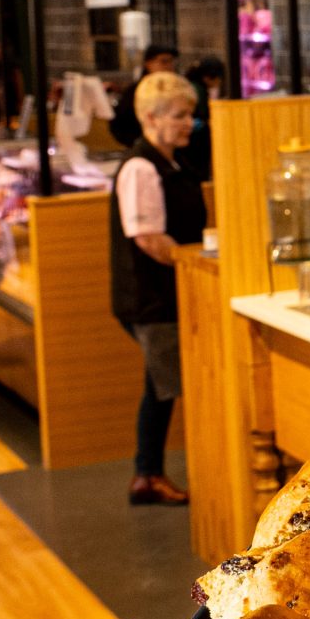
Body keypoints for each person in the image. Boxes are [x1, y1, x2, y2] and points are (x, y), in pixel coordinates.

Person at [110, 68, 204, 506]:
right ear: (150, 116)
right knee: (163, 386)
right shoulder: (141, 168)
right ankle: (146, 474)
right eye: (180, 115)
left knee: (159, 386)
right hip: (152, 299)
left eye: (190, 115)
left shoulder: (171, 161)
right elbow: (148, 237)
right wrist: (191, 263)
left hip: (167, 295)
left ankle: (146, 473)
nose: (189, 123)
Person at [110, 45, 178, 150]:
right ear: (148, 64)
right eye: (164, 62)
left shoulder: (176, 90)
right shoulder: (135, 91)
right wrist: (136, 143)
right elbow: (119, 123)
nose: (169, 66)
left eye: (171, 62)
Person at [181, 52, 225, 182]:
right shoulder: (197, 90)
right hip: (195, 143)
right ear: (208, 76)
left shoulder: (193, 85)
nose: (219, 81)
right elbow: (199, 116)